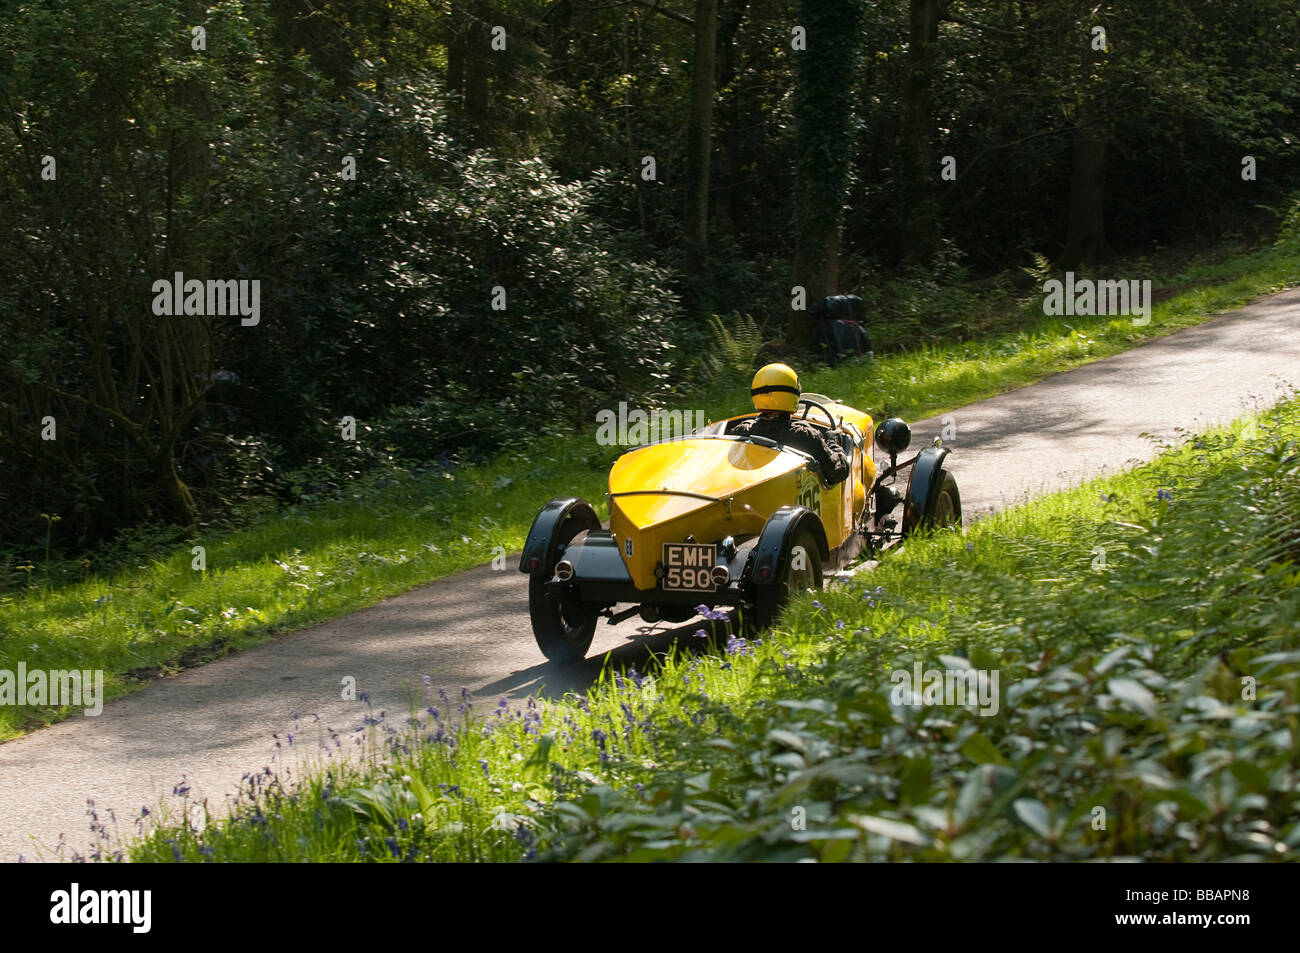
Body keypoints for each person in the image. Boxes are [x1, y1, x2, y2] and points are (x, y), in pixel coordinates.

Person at [730, 363, 850, 485]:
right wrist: (832, 442)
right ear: (793, 395)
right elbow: (838, 472)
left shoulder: (741, 431)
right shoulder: (805, 436)